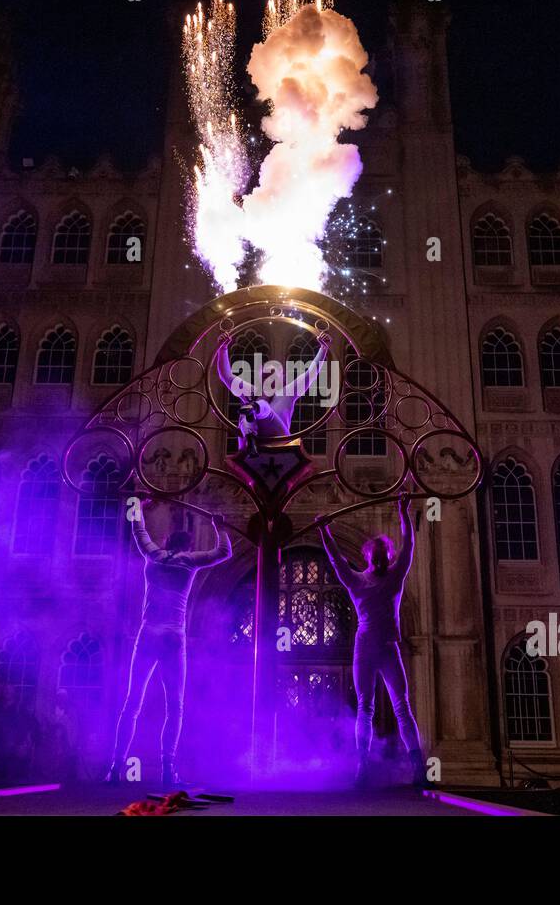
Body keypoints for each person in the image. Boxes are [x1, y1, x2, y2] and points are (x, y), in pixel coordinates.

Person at [105, 504, 233, 786]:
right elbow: (225, 552)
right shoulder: (189, 562)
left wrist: (136, 504)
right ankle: (167, 768)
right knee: (174, 706)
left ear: (167, 541)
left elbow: (138, 529)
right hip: (173, 638)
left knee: (132, 703)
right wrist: (219, 525)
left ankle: (116, 767)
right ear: (187, 545)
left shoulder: (154, 555)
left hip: (148, 633)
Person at [317, 494, 425, 788]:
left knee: (401, 705)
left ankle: (418, 767)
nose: (378, 559)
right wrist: (324, 532)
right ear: (367, 557)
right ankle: (362, 766)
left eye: (382, 556)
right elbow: (336, 561)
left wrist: (403, 512)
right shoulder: (358, 580)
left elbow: (409, 546)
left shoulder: (395, 576)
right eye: (374, 556)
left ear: (386, 557)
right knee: (366, 706)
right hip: (365, 648)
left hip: (388, 647)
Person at [215, 330, 329, 456]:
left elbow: (311, 373)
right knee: (246, 414)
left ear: (282, 378)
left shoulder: (287, 393)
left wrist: (323, 348)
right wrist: (223, 348)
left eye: (273, 377)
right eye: (265, 376)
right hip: (252, 444)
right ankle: (250, 438)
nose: (269, 380)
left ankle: (254, 411)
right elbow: (226, 376)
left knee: (258, 405)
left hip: (278, 440)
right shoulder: (252, 391)